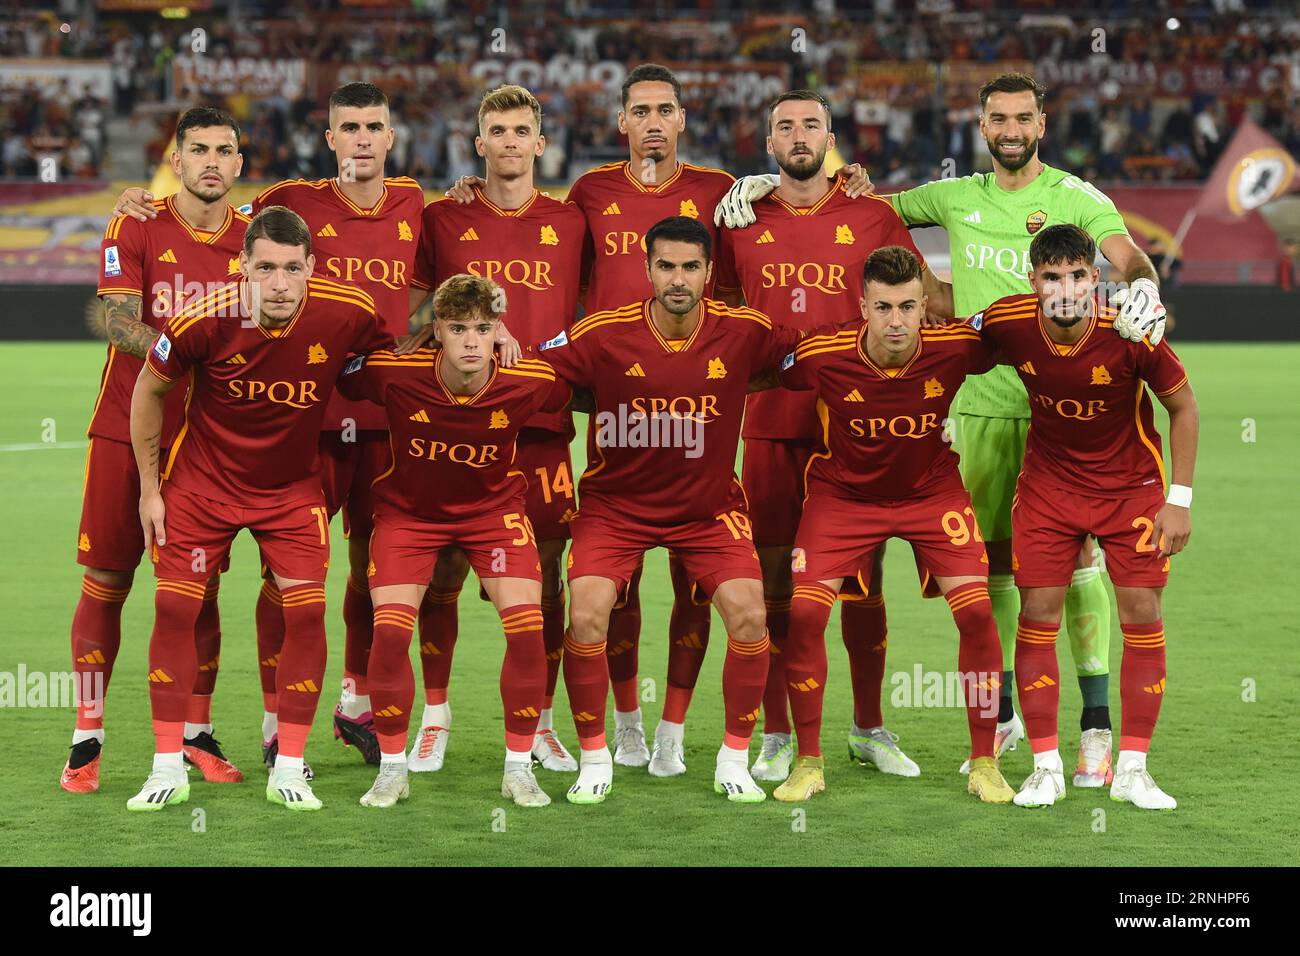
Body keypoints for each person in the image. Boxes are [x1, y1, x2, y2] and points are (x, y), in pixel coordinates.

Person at [125, 206, 391, 812]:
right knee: (173, 609)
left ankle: (290, 765)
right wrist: (149, 488)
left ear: (311, 269)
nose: (278, 284)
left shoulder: (348, 311)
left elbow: (384, 363)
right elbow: (149, 389)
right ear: (242, 267)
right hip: (201, 488)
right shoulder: (203, 319)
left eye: (292, 269)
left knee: (305, 615)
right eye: (265, 268)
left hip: (291, 490)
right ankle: (167, 765)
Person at [536, 216, 803, 804]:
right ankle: (596, 756)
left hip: (707, 509)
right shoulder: (603, 332)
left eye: (690, 267)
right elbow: (536, 367)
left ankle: (732, 758)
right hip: (615, 506)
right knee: (585, 616)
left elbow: (803, 356)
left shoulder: (746, 329)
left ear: (710, 273)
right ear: (647, 269)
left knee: (751, 617)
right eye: (666, 266)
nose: (677, 279)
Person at [769, 246, 1013, 805]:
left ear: (925, 305)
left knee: (977, 612)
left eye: (908, 307)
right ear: (863, 306)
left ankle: (984, 761)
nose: (897, 322)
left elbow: (1018, 331)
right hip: (843, 497)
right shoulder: (824, 353)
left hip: (931, 493)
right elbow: (757, 367)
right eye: (883, 308)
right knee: (804, 614)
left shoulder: (955, 346)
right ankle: (807, 761)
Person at [978, 224, 1197, 810]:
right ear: (1033, 282)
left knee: (1142, 611)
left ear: (1095, 279)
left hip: (1131, 490)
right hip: (1050, 488)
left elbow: (1183, 405)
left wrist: (1181, 499)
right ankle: (1045, 766)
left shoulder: (1130, 329)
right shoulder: (1008, 321)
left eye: (1077, 275)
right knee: (1038, 612)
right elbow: (954, 351)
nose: (1066, 288)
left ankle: (1132, 768)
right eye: (1052, 277)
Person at [64, 107, 249, 794]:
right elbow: (114, 317)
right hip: (125, 427)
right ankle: (87, 735)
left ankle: (196, 733)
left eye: (222, 150)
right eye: (196, 149)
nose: (209, 161)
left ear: (237, 162)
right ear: (175, 158)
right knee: (108, 582)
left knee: (198, 593)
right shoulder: (136, 222)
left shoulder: (255, 238)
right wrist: (187, 356)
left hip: (207, 443)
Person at [339, 274, 572, 808]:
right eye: (459, 328)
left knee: (528, 631)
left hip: (494, 515)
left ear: (499, 333)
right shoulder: (393, 373)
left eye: (484, 329)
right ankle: (392, 769)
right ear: (436, 330)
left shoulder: (531, 377)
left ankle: (518, 768)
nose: (472, 340)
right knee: (392, 635)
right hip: (409, 518)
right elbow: (341, 371)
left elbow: (581, 382)